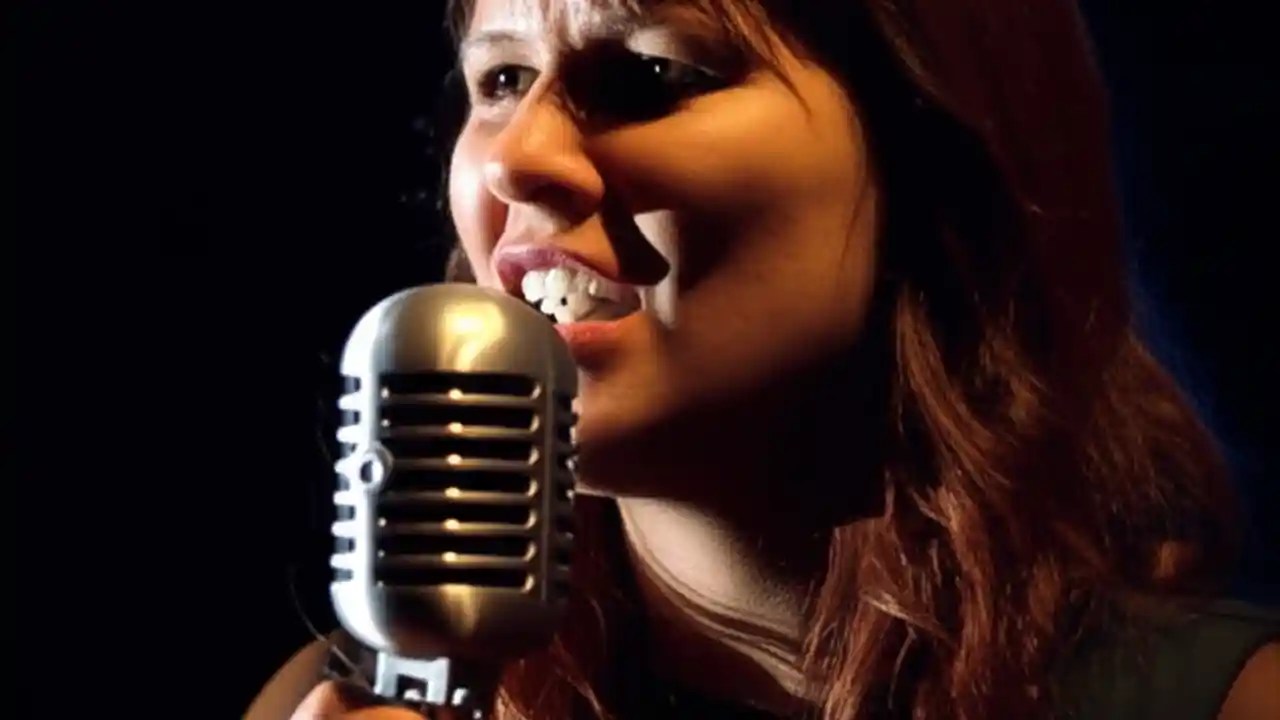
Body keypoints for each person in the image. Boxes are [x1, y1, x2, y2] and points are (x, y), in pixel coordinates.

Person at [248, 0, 1280, 718]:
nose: (516, 154)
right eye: (501, 75)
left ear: (933, 164)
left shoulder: (1224, 702)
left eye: (652, 72)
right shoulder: (342, 701)